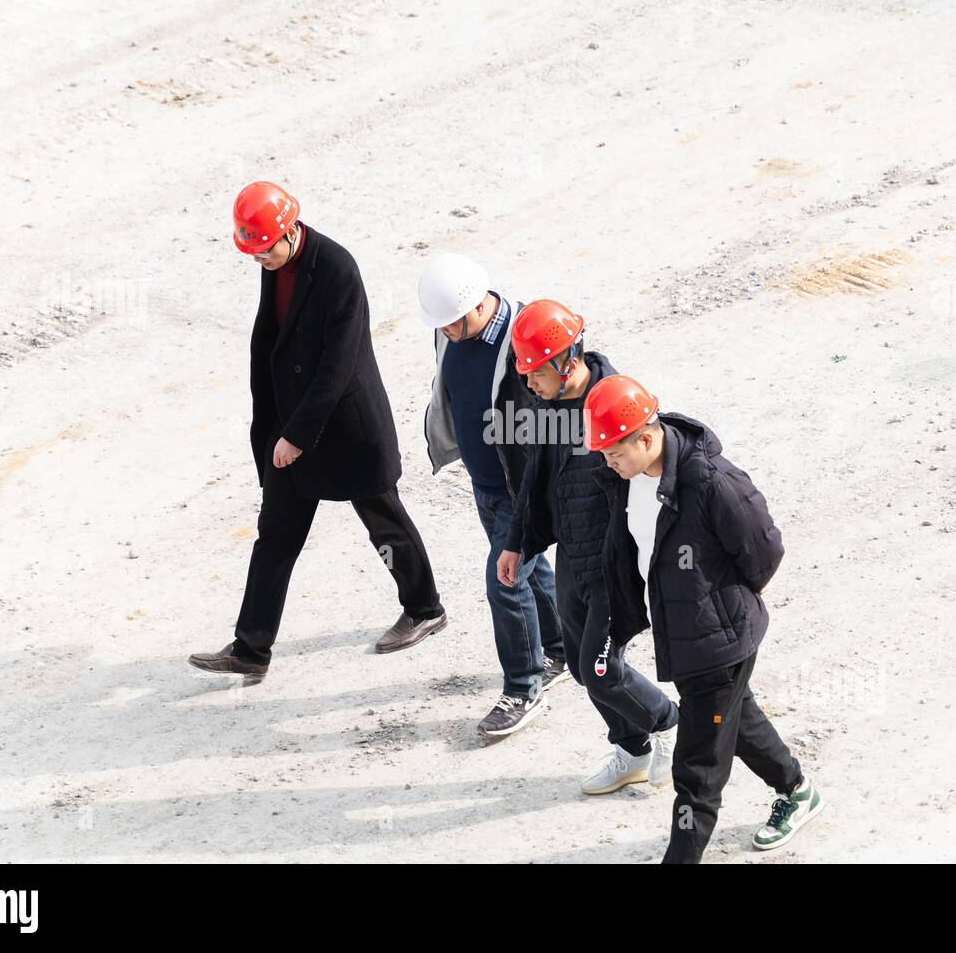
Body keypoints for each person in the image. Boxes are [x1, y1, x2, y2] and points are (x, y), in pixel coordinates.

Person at [190, 181, 447, 678]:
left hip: (345, 428)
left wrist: (296, 437)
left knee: (383, 521)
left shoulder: (336, 268)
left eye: (264, 248)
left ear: (289, 231)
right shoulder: (276, 262)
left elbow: (338, 364)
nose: (258, 258)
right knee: (276, 534)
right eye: (252, 250)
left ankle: (424, 608)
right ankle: (252, 647)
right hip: (292, 423)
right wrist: (271, 429)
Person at [587, 374, 823, 862]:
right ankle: (797, 789)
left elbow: (765, 549)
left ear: (647, 439)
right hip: (685, 634)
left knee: (696, 768)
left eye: (614, 452)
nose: (606, 462)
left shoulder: (710, 480)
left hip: (719, 642)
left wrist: (720, 603)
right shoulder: (629, 478)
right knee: (736, 720)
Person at [498, 301, 678, 794]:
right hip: (572, 557)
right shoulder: (547, 403)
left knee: (600, 668)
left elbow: (656, 476)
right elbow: (536, 475)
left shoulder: (614, 406)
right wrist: (518, 543)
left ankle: (669, 722)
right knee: (581, 667)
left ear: (565, 361)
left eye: (534, 372)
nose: (528, 383)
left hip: (613, 564)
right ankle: (632, 749)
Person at [420, 254, 565, 737]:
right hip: (485, 485)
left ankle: (523, 687)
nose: (445, 334)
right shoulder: (449, 328)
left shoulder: (525, 339)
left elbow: (552, 416)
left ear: (477, 307)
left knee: (505, 581)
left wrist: (536, 496)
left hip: (519, 492)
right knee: (530, 568)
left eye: (452, 326)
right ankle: (561, 648)